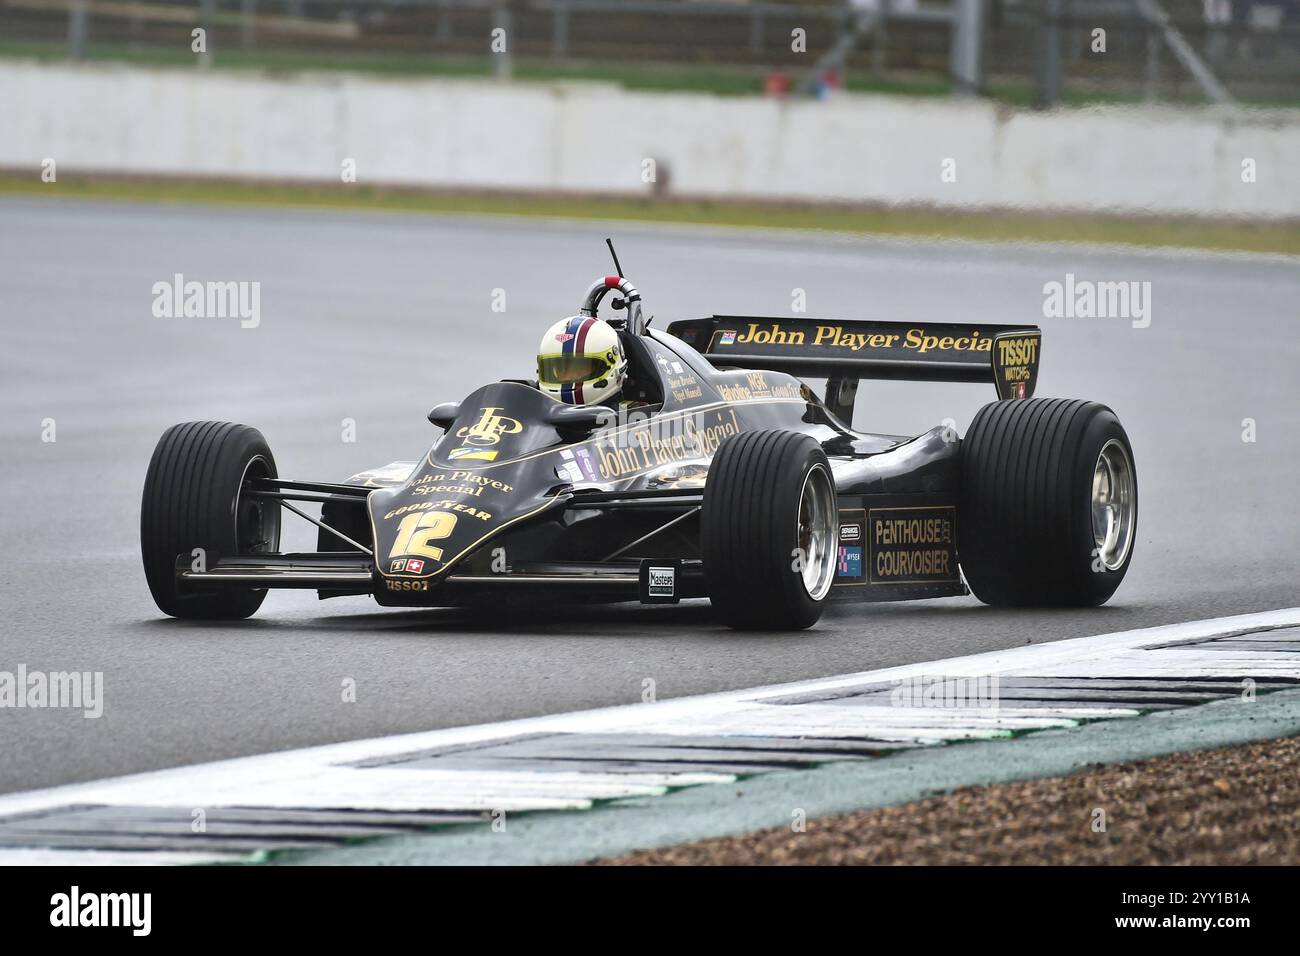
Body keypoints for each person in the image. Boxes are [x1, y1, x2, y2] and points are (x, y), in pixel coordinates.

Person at [536, 315, 629, 407]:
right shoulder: (532, 413)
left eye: (579, 367)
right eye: (561, 369)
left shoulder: (636, 418)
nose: (568, 377)